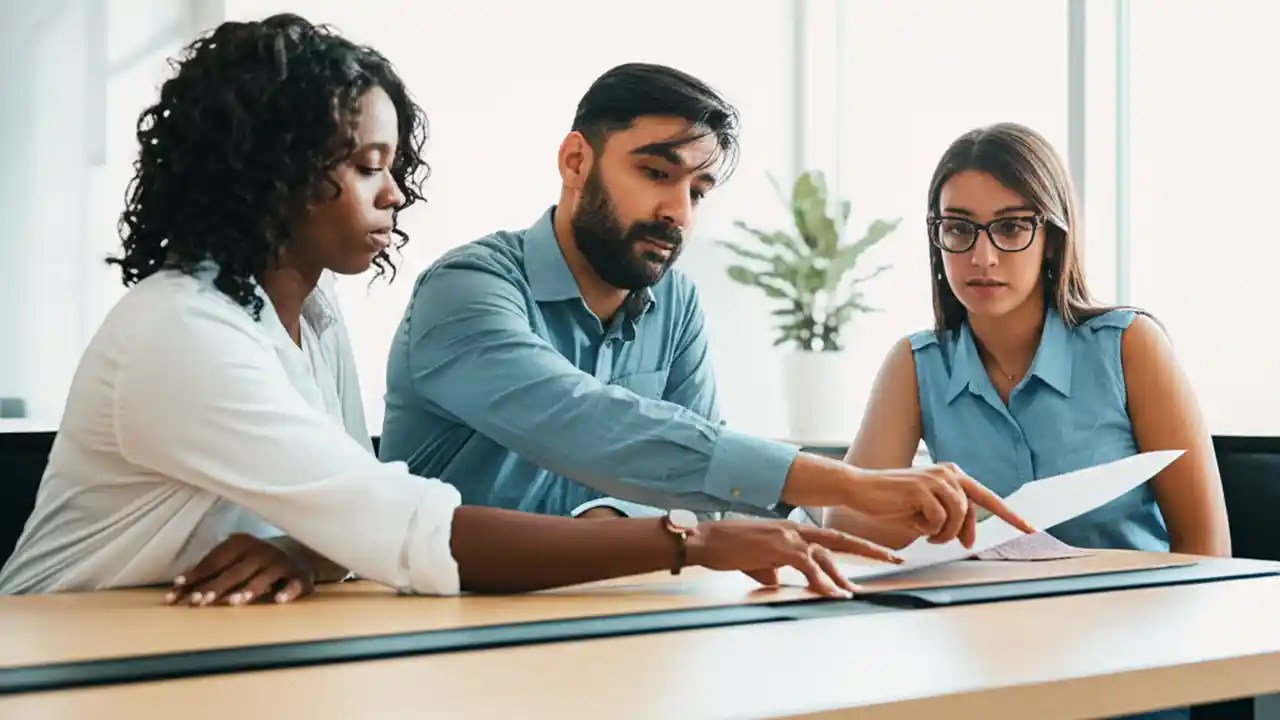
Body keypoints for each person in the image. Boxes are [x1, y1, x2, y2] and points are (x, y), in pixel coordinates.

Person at [0, 14, 1019, 605]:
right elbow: (439, 502)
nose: (395, 193)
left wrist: (317, 540)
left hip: (226, 645)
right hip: (64, 662)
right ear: (276, 176)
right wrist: (691, 538)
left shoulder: (303, 321)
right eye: (365, 167)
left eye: (698, 188)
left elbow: (353, 500)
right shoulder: (184, 331)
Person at [378, 62, 1031, 542]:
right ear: (576, 161)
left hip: (612, 614)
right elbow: (581, 421)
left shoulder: (673, 302)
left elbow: (704, 497)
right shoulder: (467, 289)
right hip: (449, 620)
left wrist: (616, 528)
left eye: (699, 190)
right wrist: (848, 483)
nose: (677, 212)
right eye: (657, 174)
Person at [827, 122, 1230, 561]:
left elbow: (1208, 548)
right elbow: (847, 529)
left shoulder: (1130, 346)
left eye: (1012, 227)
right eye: (960, 229)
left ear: (1052, 241)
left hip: (1130, 617)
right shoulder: (916, 364)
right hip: (982, 620)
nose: (983, 257)